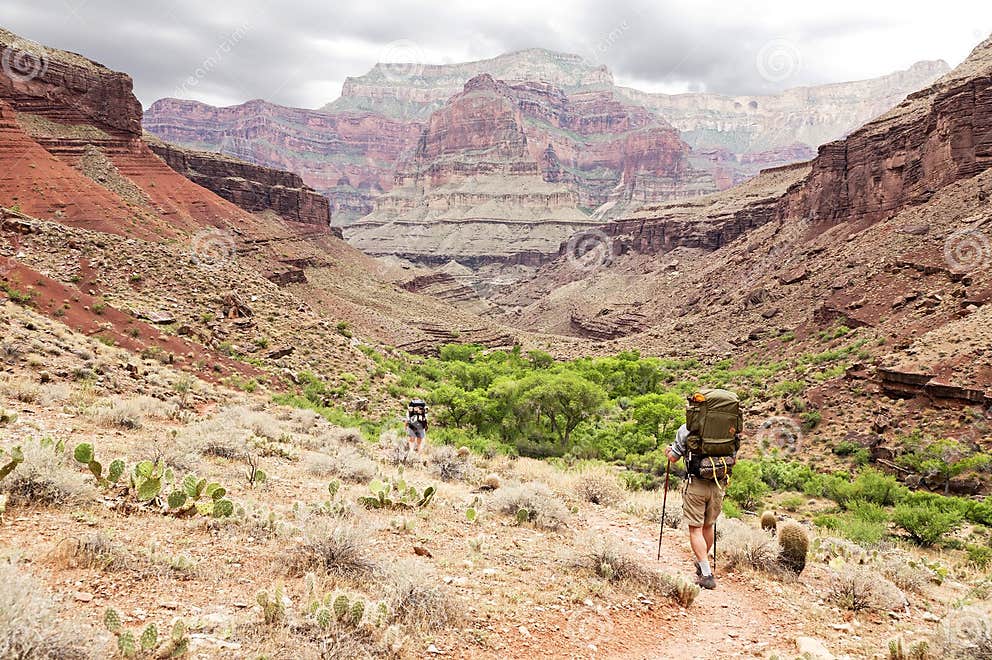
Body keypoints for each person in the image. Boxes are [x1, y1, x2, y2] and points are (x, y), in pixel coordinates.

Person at [666, 423, 730, 590]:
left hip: (695, 485)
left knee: (695, 529)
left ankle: (707, 574)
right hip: (717, 484)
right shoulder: (727, 427)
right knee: (708, 526)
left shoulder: (687, 428)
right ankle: (702, 565)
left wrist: (668, 451)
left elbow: (673, 458)